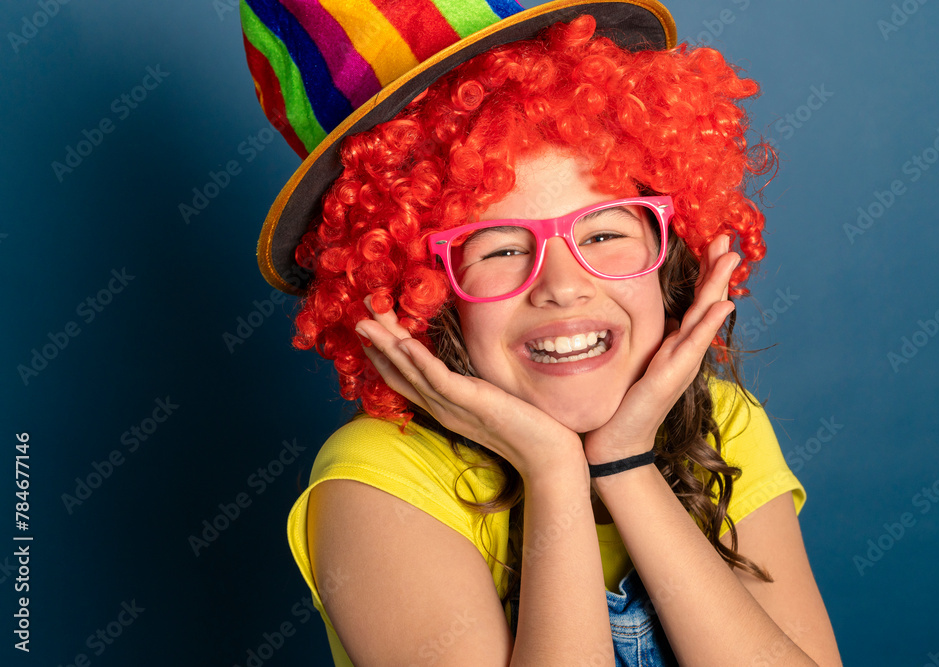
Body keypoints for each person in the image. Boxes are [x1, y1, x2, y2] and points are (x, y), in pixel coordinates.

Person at [241, 0, 842, 664]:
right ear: (419, 293)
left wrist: (626, 467)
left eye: (606, 232)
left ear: (668, 252)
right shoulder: (378, 480)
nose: (560, 285)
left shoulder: (725, 424)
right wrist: (554, 471)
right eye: (499, 249)